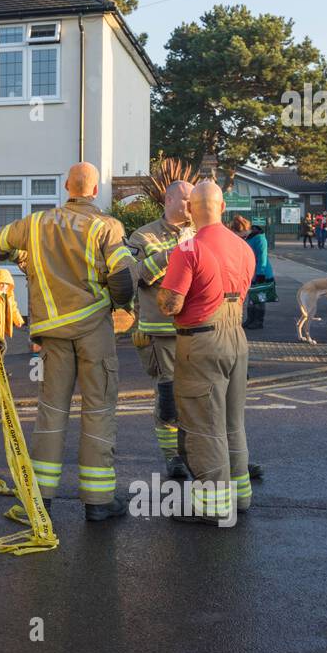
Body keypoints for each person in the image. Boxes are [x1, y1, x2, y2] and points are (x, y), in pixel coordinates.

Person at [0, 162, 137, 521]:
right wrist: (118, 305)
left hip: (52, 335)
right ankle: (99, 503)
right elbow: (123, 275)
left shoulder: (37, 223)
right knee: (98, 410)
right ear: (95, 190)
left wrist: (23, 256)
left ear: (67, 185)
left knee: (51, 414)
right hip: (93, 331)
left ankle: (40, 502)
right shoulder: (105, 226)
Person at [158, 181, 257, 525]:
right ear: (223, 206)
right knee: (232, 421)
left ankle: (213, 505)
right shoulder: (244, 247)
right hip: (236, 339)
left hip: (201, 342)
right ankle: (240, 494)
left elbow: (171, 303)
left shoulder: (188, 248)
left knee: (203, 426)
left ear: (189, 210)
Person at [127, 180, 195, 481]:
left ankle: (212, 455)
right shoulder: (144, 235)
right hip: (161, 332)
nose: (191, 204)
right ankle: (173, 458)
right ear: (168, 200)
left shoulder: (199, 230)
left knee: (204, 396)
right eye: (185, 199)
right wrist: (177, 253)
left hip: (197, 328)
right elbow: (138, 276)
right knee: (169, 398)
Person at [230, 214, 273, 329]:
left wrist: (260, 274)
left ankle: (258, 321)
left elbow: (262, 257)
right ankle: (250, 319)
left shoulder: (259, 238)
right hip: (251, 273)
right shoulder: (246, 238)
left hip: (261, 273)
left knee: (259, 298)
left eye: (236, 233)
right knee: (252, 297)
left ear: (242, 230)